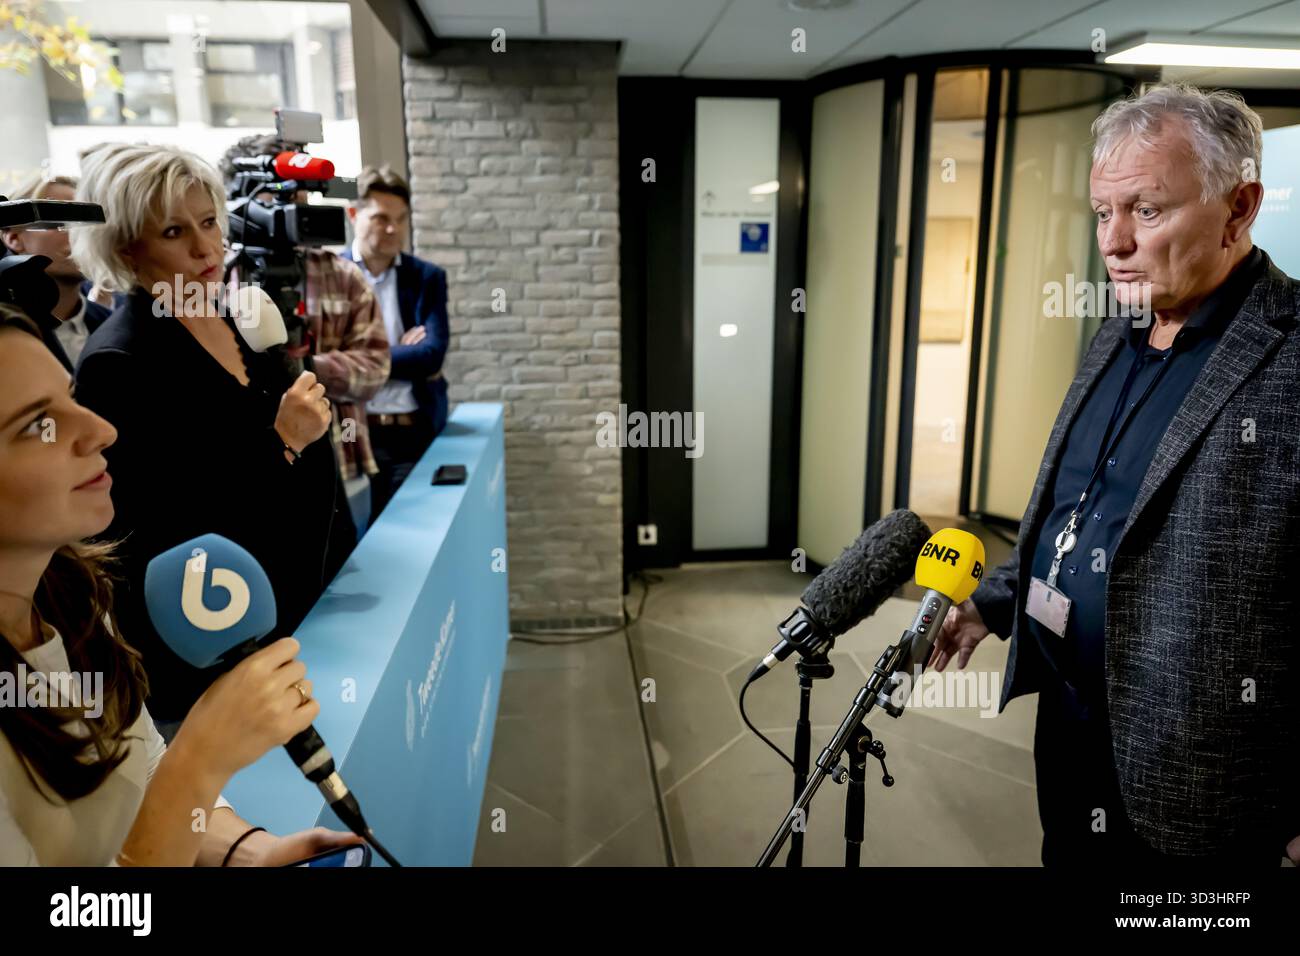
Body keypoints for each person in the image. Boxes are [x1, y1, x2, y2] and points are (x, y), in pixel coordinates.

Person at [928, 84, 1300, 866]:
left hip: (1205, 774)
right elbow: (1084, 508)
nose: (1114, 241)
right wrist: (994, 606)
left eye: (1147, 210)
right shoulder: (1117, 330)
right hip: (1071, 729)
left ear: (1239, 208)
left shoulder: (1288, 355)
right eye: (1103, 212)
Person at [0, 306, 361, 865]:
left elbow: (137, 774)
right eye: (35, 425)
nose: (101, 430)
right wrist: (202, 758)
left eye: (71, 398)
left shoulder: (76, 602)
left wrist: (248, 851)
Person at [70, 142, 353, 738]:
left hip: (305, 605)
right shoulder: (118, 361)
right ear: (128, 248)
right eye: (175, 231)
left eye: (209, 222)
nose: (205, 246)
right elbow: (152, 535)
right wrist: (280, 443)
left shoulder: (232, 313)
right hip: (219, 645)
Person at [218, 133, 392, 501]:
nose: (292, 212)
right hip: (246, 474)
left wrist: (305, 365)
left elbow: (375, 369)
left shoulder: (343, 276)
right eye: (276, 201)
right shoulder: (216, 278)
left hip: (342, 464)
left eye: (296, 199)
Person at [339, 165, 450, 521]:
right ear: (354, 214)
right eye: (381, 218)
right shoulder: (330, 274)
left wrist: (356, 361)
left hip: (411, 430)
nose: (393, 229)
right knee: (354, 544)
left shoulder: (426, 278)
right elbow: (322, 360)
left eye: (401, 219)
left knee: (411, 536)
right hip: (352, 434)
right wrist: (401, 352)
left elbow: (431, 356)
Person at [0, 173, 111, 368]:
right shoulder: (9, 331)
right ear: (14, 238)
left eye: (83, 221)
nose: (78, 234)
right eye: (58, 222)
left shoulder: (109, 323)